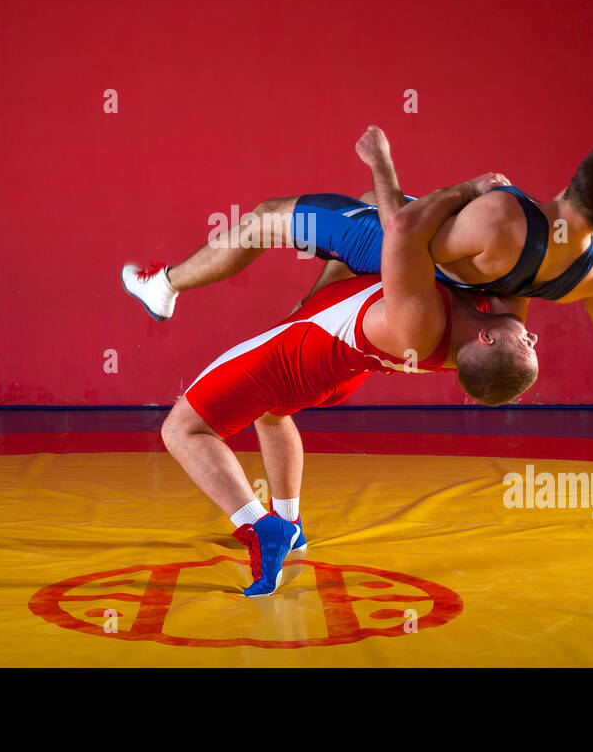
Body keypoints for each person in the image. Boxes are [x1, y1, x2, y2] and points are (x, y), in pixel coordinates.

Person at [158, 136, 538, 596]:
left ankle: (257, 526)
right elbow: (527, 276)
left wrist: (382, 161)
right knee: (273, 414)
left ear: (487, 336)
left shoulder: (417, 323)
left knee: (182, 430)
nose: (532, 334)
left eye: (527, 343)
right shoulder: (479, 337)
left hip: (292, 360)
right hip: (337, 375)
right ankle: (290, 520)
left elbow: (401, 229)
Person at [123, 128, 593, 333]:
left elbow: (402, 234)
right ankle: (296, 327)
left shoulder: (502, 215)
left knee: (266, 217)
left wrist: (380, 161)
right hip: (456, 287)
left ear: (575, 175)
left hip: (393, 248)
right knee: (359, 209)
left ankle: (163, 288)